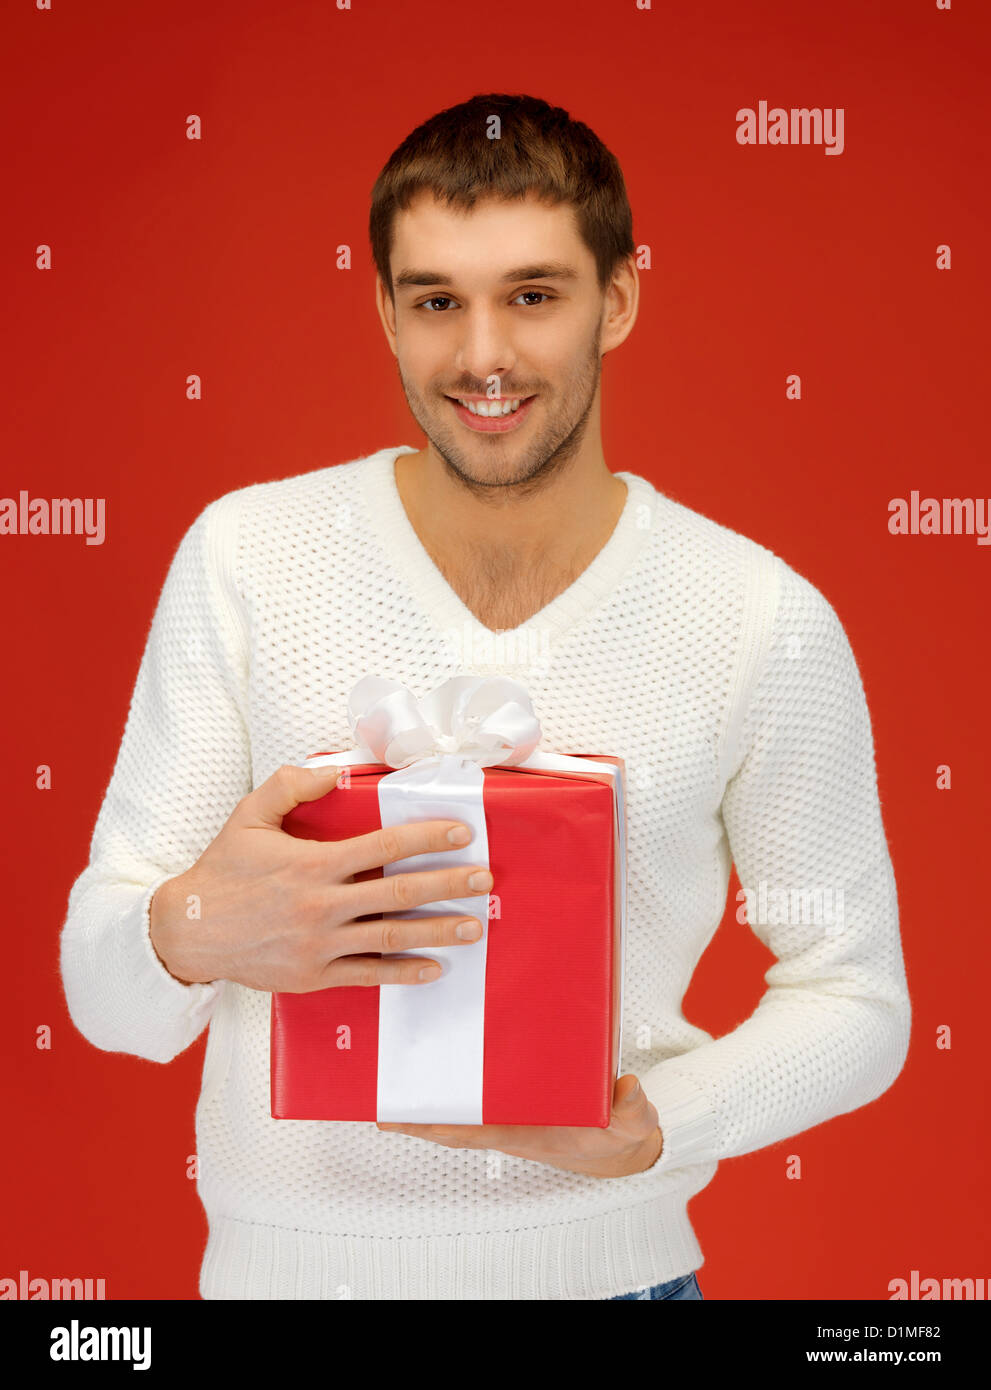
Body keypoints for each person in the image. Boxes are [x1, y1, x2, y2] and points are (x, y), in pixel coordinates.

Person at [60, 92, 911, 1302]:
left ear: (616, 298)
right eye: (435, 302)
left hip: (616, 1282)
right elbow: (108, 997)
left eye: (532, 294)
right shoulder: (246, 554)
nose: (483, 358)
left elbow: (857, 994)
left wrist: (659, 1120)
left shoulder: (756, 618)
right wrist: (195, 928)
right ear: (385, 312)